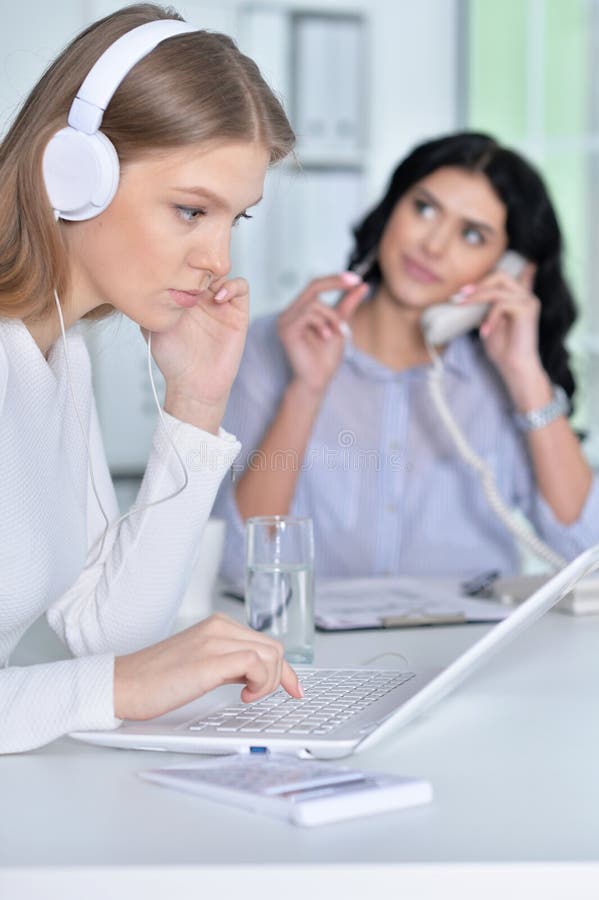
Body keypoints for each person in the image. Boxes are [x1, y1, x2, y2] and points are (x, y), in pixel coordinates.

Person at [0, 3, 304, 755]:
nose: (218, 260)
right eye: (191, 210)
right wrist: (113, 687)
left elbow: (108, 630)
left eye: (236, 220)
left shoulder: (55, 358)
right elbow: (112, 673)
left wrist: (195, 405)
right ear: (72, 173)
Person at [215, 131, 599, 583]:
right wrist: (307, 390)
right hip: (318, 651)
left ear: (509, 271)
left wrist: (526, 376)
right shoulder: (271, 346)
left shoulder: (508, 378)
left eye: (472, 235)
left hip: (471, 647)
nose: (433, 245)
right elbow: (238, 564)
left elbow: (587, 550)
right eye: (424, 208)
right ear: (391, 208)